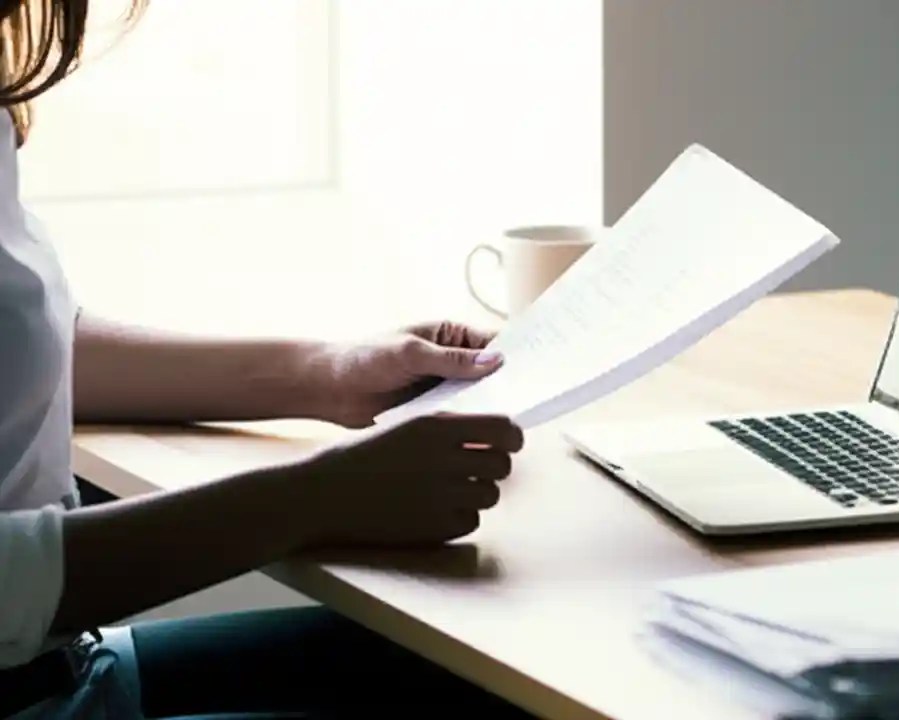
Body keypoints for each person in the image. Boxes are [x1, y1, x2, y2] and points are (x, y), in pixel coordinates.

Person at [0, 1, 532, 717]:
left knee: (476, 676)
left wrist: (329, 375)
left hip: (61, 670)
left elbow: (30, 349)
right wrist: (321, 497)